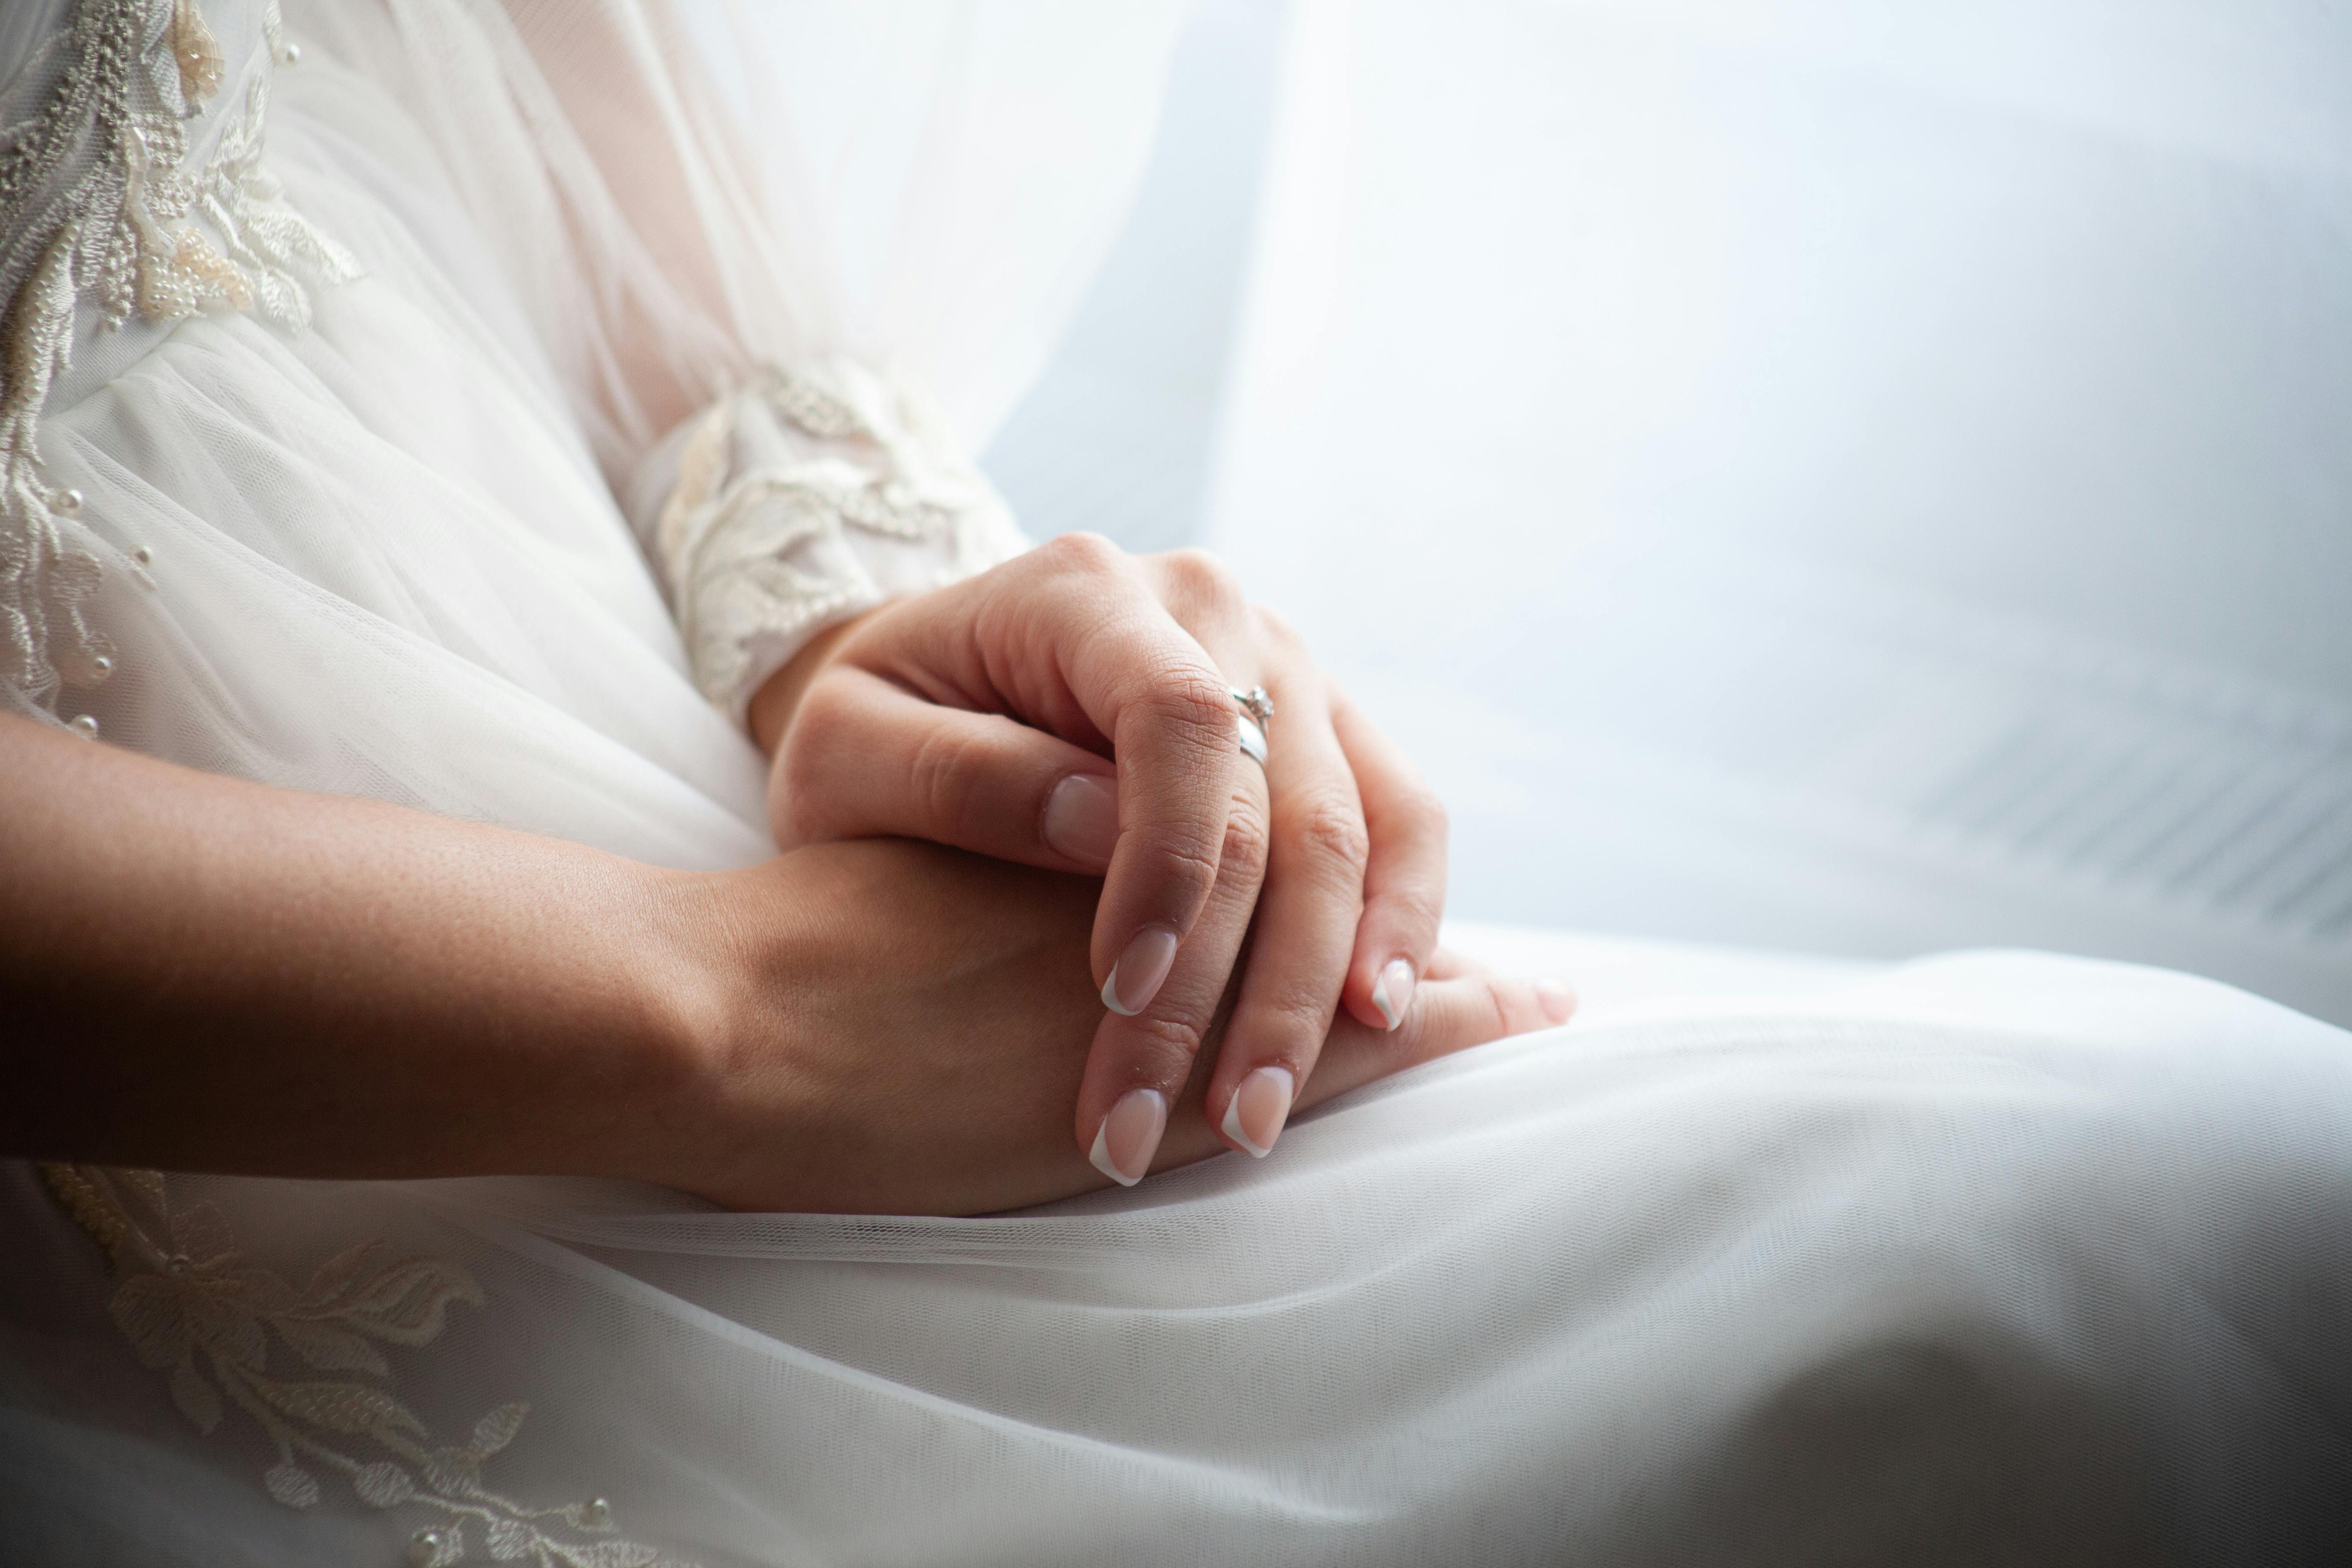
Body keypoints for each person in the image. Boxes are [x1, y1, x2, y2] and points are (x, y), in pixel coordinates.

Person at [2, 3, 2347, 1563]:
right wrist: (730, 1013)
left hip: (769, 870)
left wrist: (869, 620)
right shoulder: (721, 1016)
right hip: (286, 1164)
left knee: (2187, 1200)